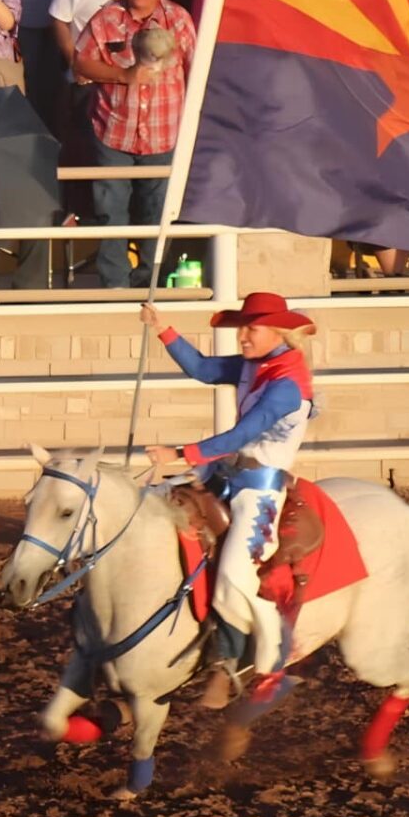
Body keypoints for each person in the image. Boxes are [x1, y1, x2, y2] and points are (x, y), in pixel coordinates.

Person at [139, 291, 319, 710]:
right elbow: (201, 368)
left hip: (259, 491)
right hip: (225, 475)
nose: (242, 336)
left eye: (250, 328)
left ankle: (272, 655)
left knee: (235, 578)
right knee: (151, 505)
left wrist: (180, 453)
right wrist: (161, 327)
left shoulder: (287, 386)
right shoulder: (255, 366)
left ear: (277, 332)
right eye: (242, 327)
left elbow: (241, 435)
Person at [72, 0, 195, 288]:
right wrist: (122, 76)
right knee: (111, 212)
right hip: (113, 130)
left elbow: (197, 71)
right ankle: (115, 286)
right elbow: (81, 63)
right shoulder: (107, 17)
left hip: (163, 134)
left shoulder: (179, 20)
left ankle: (149, 284)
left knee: (157, 213)